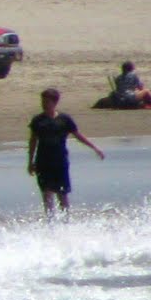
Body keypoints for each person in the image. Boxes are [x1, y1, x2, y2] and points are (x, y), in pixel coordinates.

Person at [27, 87, 104, 218]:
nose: (43, 104)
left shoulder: (64, 119)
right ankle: (50, 221)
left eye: (46, 101)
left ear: (54, 102)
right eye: (42, 101)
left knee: (62, 194)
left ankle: (66, 221)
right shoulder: (38, 120)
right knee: (47, 193)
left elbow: (78, 135)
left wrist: (94, 148)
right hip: (43, 161)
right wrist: (30, 162)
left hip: (60, 161)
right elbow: (33, 141)